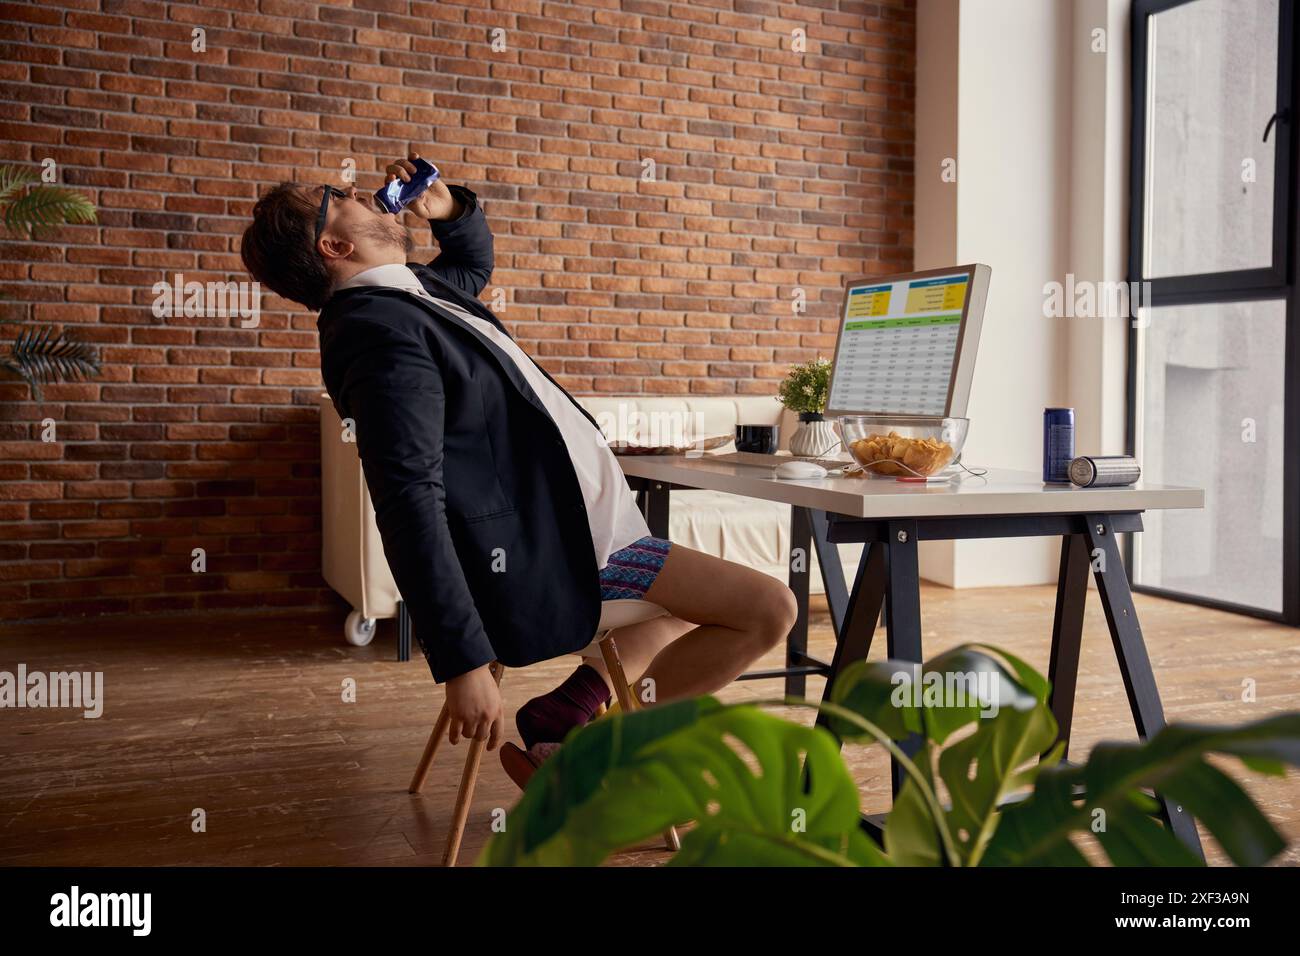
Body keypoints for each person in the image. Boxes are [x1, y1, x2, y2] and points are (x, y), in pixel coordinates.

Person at [240, 154, 798, 786]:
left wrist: (447, 210)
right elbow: (408, 500)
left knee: (676, 610)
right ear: (335, 244)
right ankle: (593, 760)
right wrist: (462, 663)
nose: (360, 191)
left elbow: (473, 263)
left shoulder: (412, 292)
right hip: (560, 554)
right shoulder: (376, 335)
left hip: (597, 534)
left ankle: (565, 715)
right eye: (341, 197)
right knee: (769, 609)